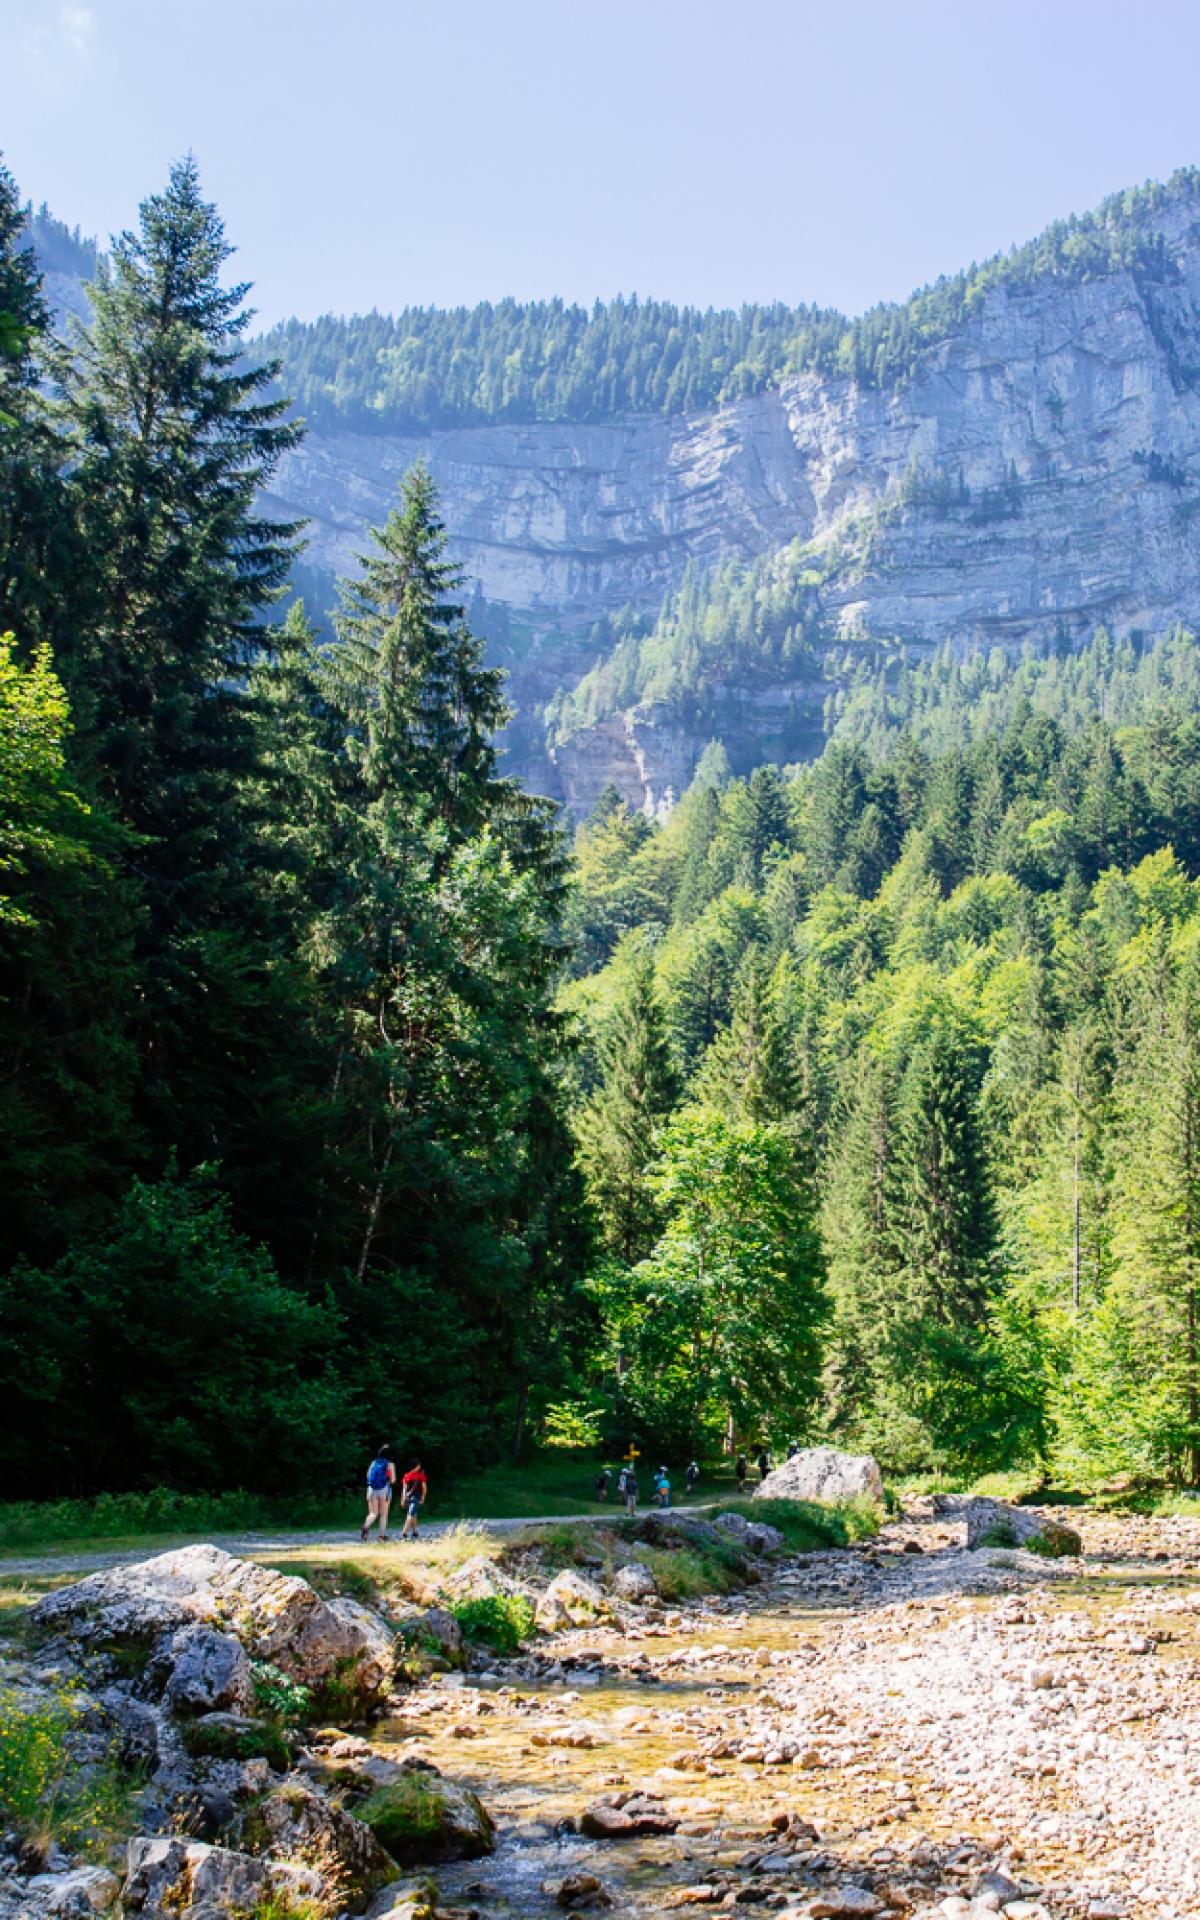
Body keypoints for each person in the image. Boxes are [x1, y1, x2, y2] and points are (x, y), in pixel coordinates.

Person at [361, 1444, 395, 1541]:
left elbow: (368, 1476)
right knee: (383, 1514)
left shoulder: (373, 1462)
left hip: (371, 1489)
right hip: (384, 1489)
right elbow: (393, 1480)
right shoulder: (390, 1464)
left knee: (373, 1513)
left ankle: (365, 1527)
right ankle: (382, 1535)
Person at [400, 1458, 428, 1540]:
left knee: (413, 1513)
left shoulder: (406, 1475)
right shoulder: (421, 1475)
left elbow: (404, 1489)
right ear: (417, 1466)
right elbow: (424, 1488)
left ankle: (415, 1532)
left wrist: (403, 1499)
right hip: (416, 1497)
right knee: (411, 1514)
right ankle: (404, 1532)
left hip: (408, 1497)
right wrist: (423, 1497)